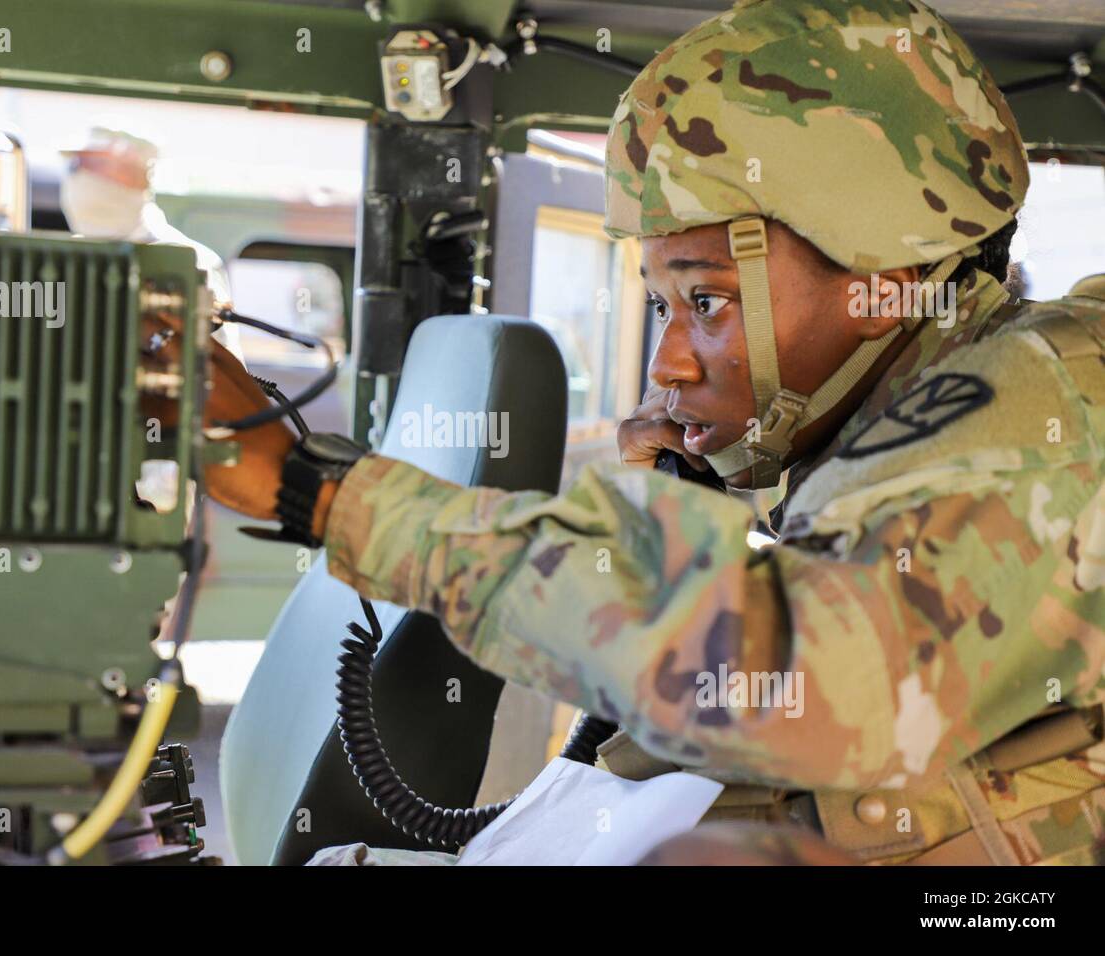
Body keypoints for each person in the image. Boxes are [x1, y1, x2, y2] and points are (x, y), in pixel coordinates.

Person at [175, 0, 1105, 865]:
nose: (668, 366)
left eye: (706, 301)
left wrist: (328, 497)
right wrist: (694, 534)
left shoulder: (1052, 399)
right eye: (662, 307)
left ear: (888, 280)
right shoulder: (893, 447)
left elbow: (798, 683)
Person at [60, 125, 233, 309]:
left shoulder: (194, 263)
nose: (82, 175)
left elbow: (211, 335)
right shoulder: (56, 262)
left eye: (100, 163)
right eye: (77, 164)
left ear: (142, 175)